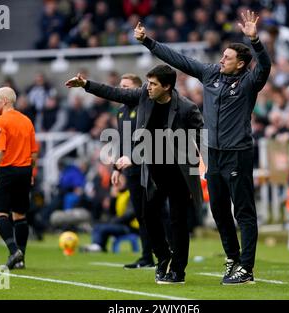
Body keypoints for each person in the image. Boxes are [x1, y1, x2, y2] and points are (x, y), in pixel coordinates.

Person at [134, 10, 271, 284]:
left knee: (242, 211)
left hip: (237, 153)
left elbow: (265, 67)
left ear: (242, 64)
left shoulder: (248, 83)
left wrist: (255, 41)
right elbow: (180, 60)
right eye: (222, 56)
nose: (221, 60)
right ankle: (232, 258)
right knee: (219, 211)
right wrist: (149, 42)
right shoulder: (211, 75)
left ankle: (247, 267)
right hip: (212, 154)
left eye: (227, 58)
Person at [66, 64, 204, 284]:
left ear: (167, 86)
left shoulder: (186, 108)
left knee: (178, 222)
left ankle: (178, 271)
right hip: (152, 171)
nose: (148, 87)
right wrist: (86, 85)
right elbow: (115, 92)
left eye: (153, 84)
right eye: (148, 83)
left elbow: (200, 136)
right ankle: (162, 257)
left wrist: (203, 163)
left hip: (178, 172)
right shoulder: (144, 96)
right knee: (148, 217)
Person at [0, 87, 38, 270]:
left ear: (5, 101)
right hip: (25, 171)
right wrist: (31, 173)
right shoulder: (26, 121)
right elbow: (34, 154)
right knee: (20, 214)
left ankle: (14, 250)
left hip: (7, 171)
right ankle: (21, 259)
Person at [111, 73, 155, 269]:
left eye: (126, 87)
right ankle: (147, 256)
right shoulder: (121, 111)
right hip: (130, 170)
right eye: (121, 86)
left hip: (150, 168)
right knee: (141, 214)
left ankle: (167, 253)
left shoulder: (145, 109)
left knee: (156, 212)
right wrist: (116, 168)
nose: (122, 90)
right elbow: (121, 141)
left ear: (138, 89)